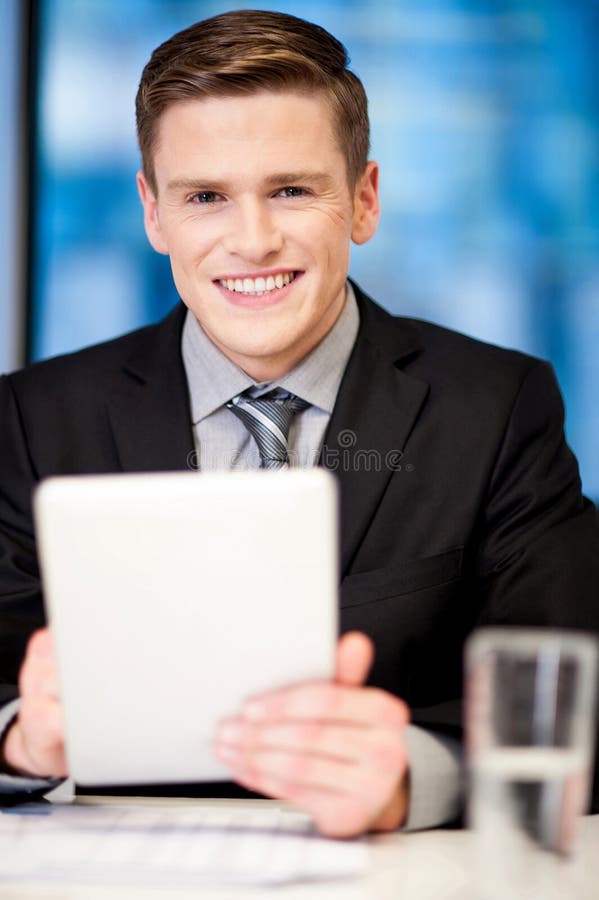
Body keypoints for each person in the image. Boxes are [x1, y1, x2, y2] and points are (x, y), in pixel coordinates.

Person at [0, 10, 597, 837]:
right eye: (205, 196)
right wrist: (23, 742)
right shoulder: (30, 419)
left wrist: (408, 779)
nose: (252, 240)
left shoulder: (495, 407)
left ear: (361, 200)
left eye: (290, 190)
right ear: (153, 213)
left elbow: (570, 701)